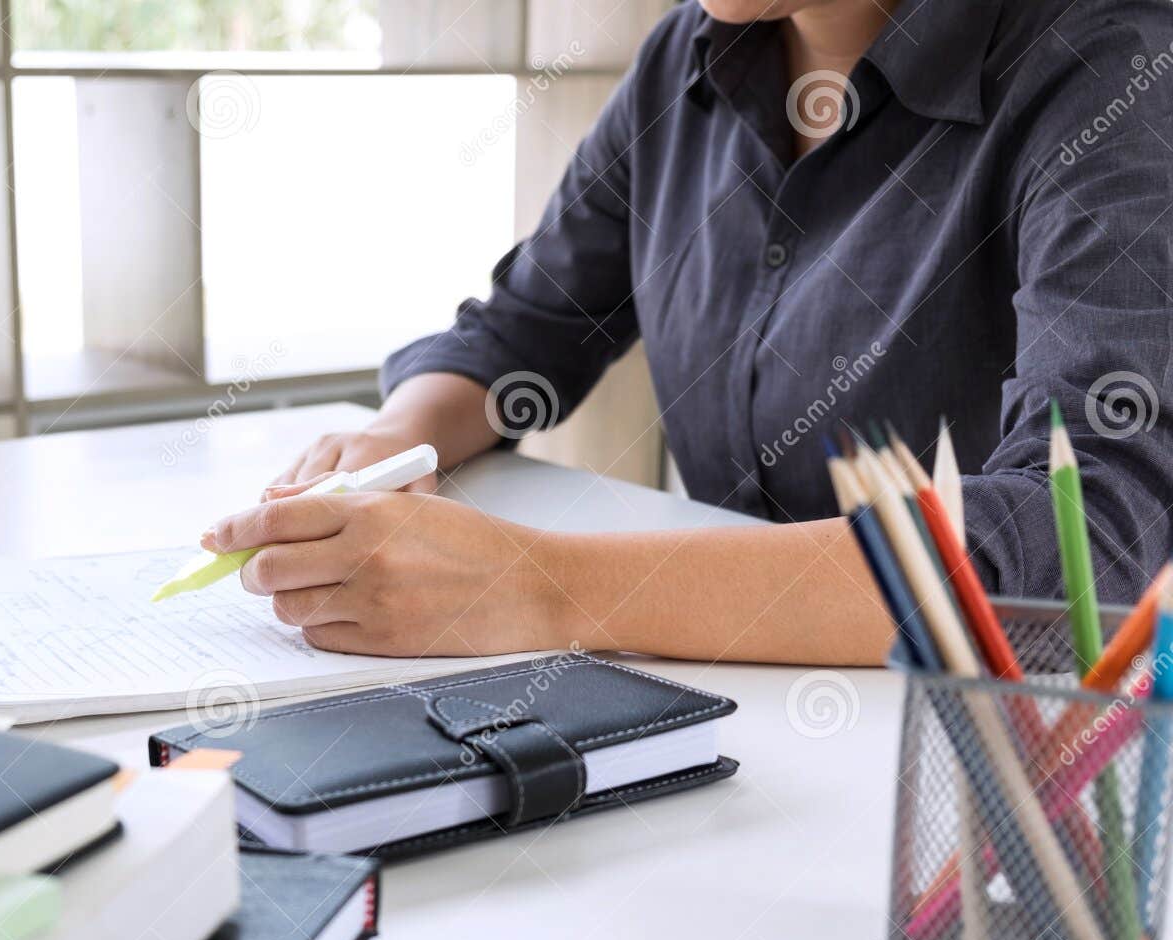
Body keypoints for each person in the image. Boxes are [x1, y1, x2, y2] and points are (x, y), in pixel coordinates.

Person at [202, 0, 1173, 665]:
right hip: (730, 706)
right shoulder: (689, 54)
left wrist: (542, 585)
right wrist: (389, 441)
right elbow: (525, 330)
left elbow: (1085, 532)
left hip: (977, 771)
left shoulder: (1112, 73)